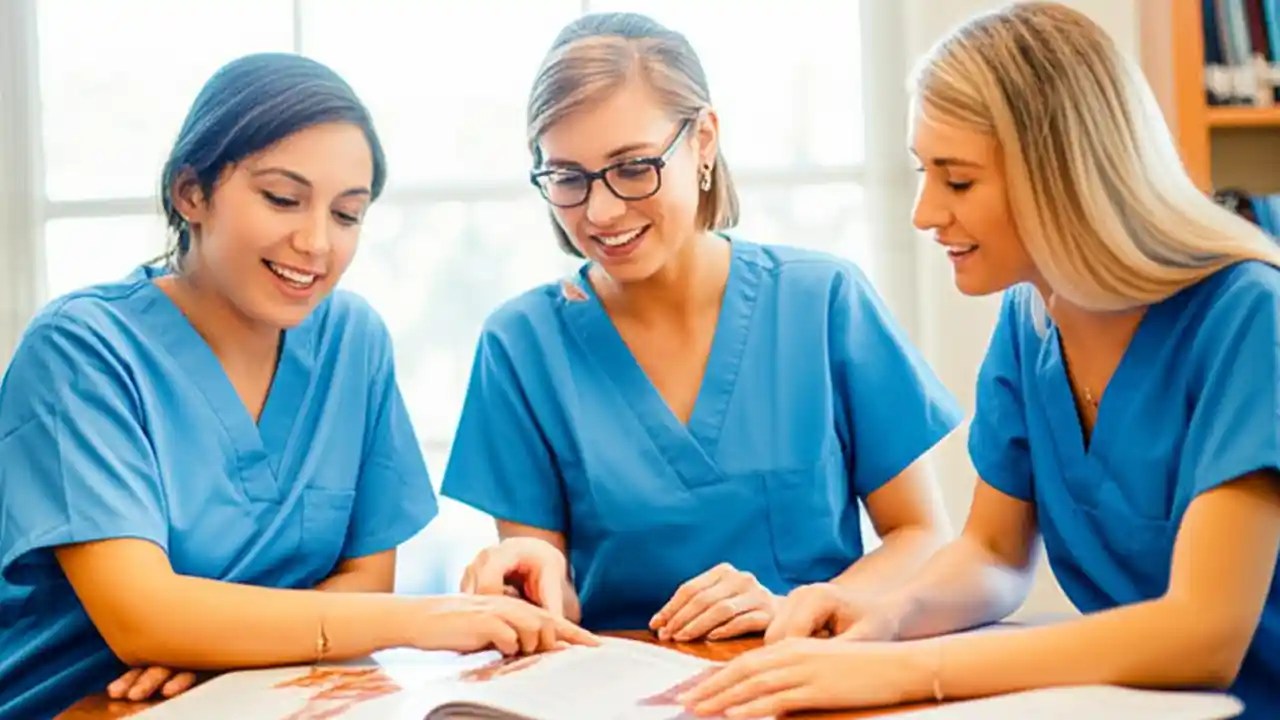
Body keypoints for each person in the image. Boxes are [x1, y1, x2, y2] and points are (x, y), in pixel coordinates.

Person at [677, 3, 1280, 718]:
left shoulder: (1248, 318)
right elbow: (993, 554)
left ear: (1063, 174)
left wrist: (915, 672)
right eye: (922, 173)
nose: (925, 212)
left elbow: (1202, 634)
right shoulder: (1031, 320)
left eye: (957, 180)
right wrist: (882, 617)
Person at [0, 53, 592, 720]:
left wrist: (220, 641)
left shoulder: (351, 342)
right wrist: (425, 621)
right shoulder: (81, 351)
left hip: (263, 700)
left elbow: (368, 582)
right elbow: (143, 617)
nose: (316, 242)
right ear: (190, 193)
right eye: (283, 199)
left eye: (347, 214)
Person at [442, 12, 962, 642]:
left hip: (806, 679)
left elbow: (923, 536)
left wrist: (802, 607)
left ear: (704, 140)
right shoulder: (521, 346)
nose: (601, 211)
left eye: (634, 167)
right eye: (567, 178)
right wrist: (530, 586)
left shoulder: (821, 302)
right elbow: (552, 606)